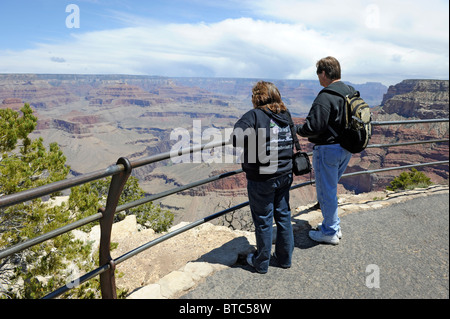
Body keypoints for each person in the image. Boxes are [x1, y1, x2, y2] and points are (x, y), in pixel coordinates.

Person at [231, 81, 294, 274]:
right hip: (285, 173)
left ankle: (261, 263)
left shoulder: (254, 115)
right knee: (283, 216)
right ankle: (284, 259)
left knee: (264, 220)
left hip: (262, 178)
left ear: (257, 98)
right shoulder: (285, 114)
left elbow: (235, 139)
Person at [296, 56, 353, 245]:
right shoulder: (350, 91)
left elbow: (313, 127)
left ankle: (330, 232)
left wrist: (296, 129)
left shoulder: (326, 96)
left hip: (328, 150)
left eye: (318, 74)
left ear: (324, 73)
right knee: (330, 188)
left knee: (326, 191)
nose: (318, 78)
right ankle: (332, 225)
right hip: (347, 147)